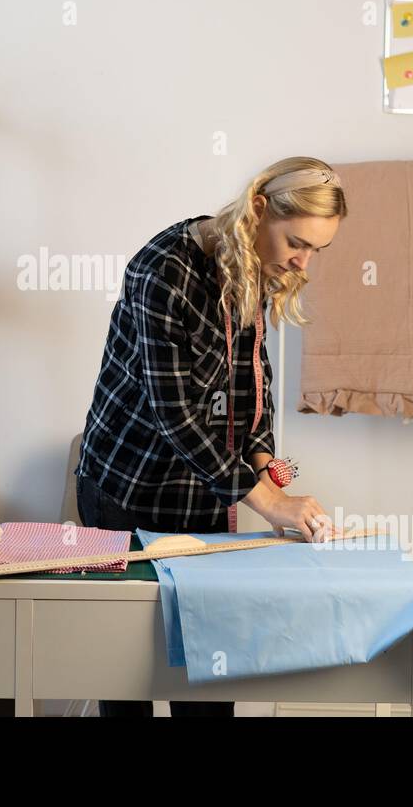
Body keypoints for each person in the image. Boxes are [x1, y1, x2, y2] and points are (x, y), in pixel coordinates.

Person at [75, 156, 348, 717]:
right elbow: (174, 414)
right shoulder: (163, 270)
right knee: (128, 675)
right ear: (258, 209)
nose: (304, 262)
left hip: (204, 492)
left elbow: (253, 378)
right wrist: (271, 501)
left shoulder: (255, 264)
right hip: (125, 491)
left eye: (317, 249)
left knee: (205, 672)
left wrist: (267, 465)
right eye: (298, 242)